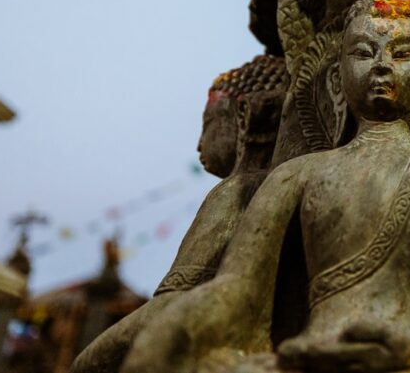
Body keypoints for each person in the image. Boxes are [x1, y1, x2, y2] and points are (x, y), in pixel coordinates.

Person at [122, 0, 410, 373]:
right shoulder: (295, 175)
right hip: (308, 352)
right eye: (364, 52)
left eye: (404, 54)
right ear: (336, 81)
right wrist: (172, 332)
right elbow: (238, 291)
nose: (382, 64)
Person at [72, 56, 288, 373]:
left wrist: (85, 362)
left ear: (245, 115)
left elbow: (173, 302)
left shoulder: (239, 190)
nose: (200, 144)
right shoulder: (280, 182)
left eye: (209, 125)